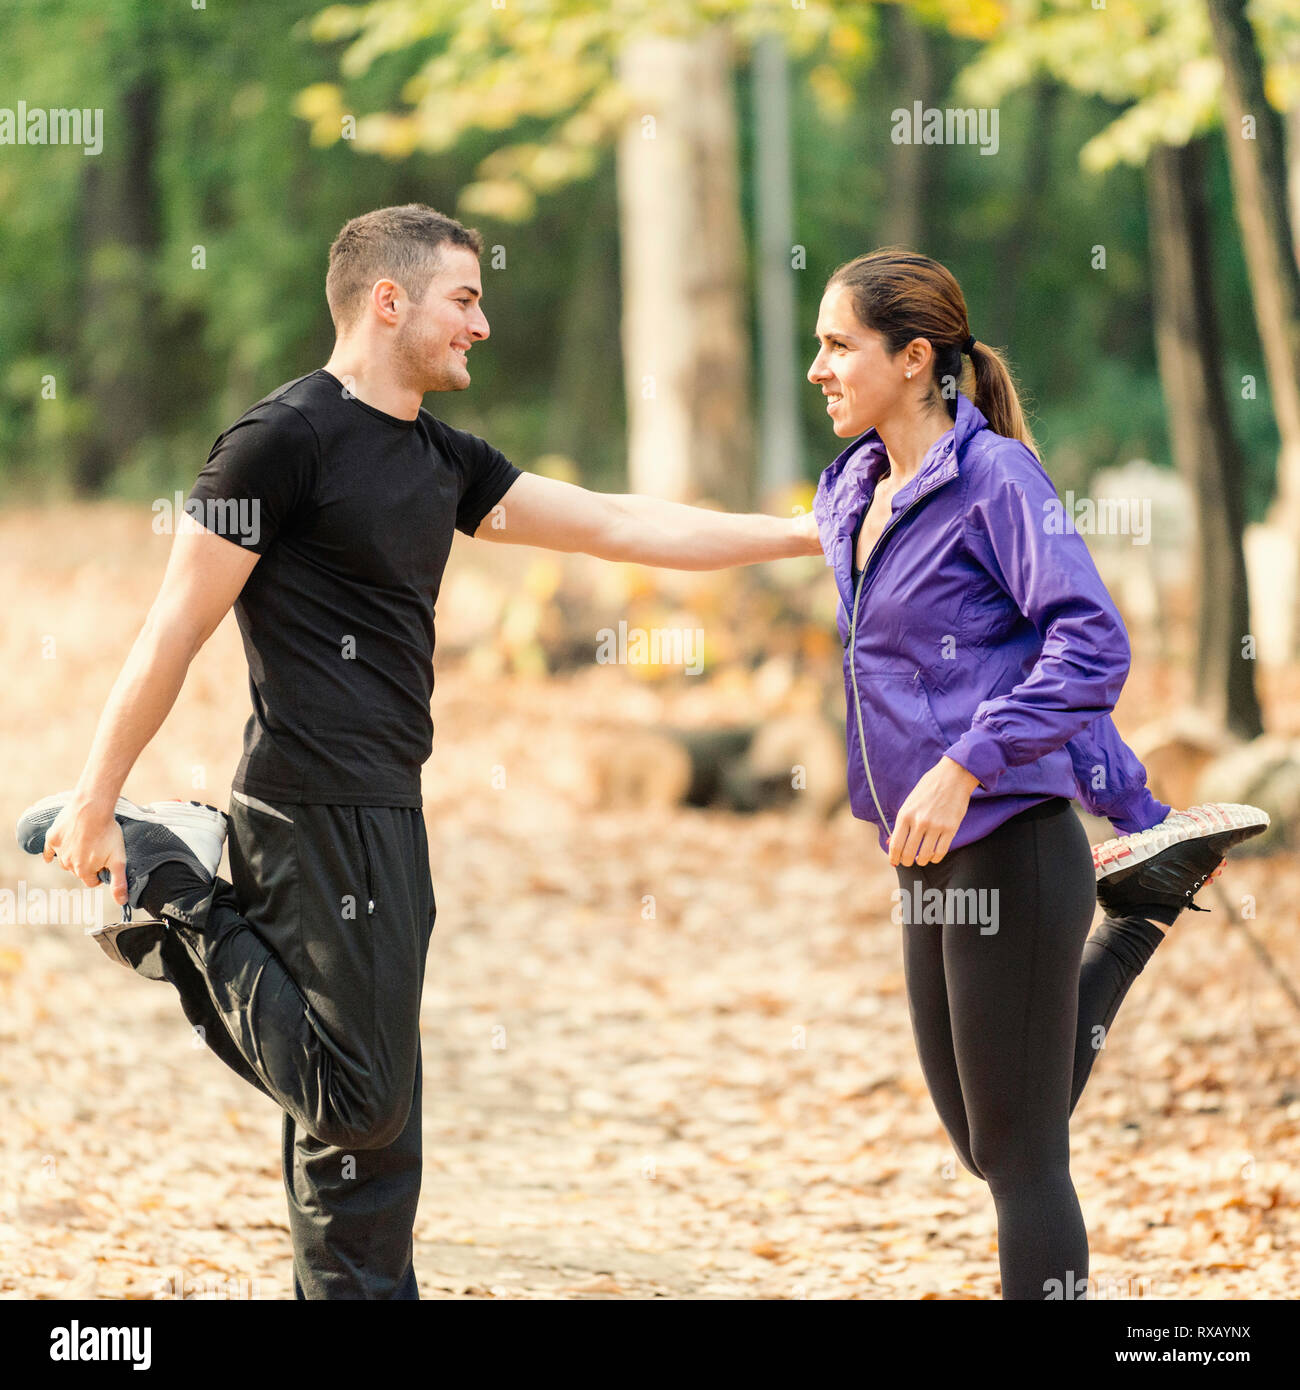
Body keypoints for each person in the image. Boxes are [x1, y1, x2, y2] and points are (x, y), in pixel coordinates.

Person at [15, 203, 823, 1300]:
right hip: (304, 804)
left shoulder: (441, 458)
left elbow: (615, 522)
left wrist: (796, 533)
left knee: (372, 1126)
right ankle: (177, 882)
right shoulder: (279, 440)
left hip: (390, 804)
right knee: (358, 1102)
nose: (481, 323)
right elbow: (173, 628)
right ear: (386, 301)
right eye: (464, 297)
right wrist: (101, 799)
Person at [806, 247, 1268, 1300]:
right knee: (986, 1140)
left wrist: (968, 765)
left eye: (838, 344)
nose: (817, 367)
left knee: (1022, 1162)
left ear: (914, 358)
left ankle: (1138, 917)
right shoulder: (855, 489)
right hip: (921, 855)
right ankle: (1141, 915)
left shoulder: (995, 480)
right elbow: (1025, 657)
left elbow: (1090, 644)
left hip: (1010, 845)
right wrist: (1145, 815)